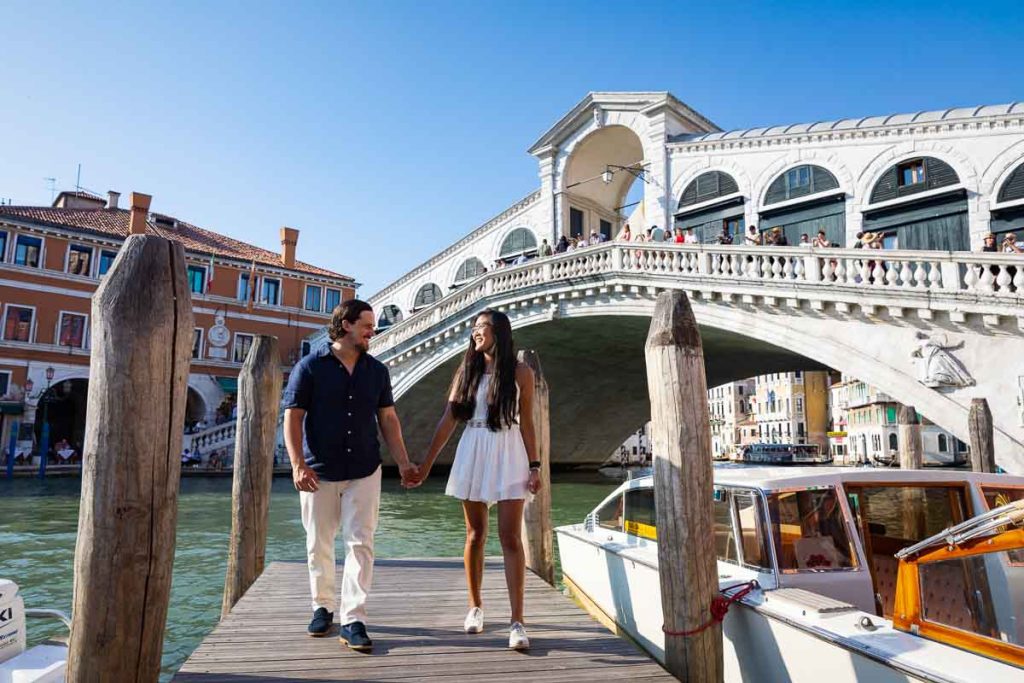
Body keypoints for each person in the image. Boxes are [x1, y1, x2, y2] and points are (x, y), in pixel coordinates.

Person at [282, 299, 418, 651]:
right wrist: (298, 464)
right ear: (345, 325)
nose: (372, 330)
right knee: (319, 543)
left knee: (361, 543)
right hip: (318, 470)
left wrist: (403, 463)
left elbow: (388, 419)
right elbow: (292, 418)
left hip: (364, 468)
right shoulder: (309, 367)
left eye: (372, 325)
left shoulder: (377, 371)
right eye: (367, 325)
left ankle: (354, 617)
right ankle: (322, 606)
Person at [408, 309, 542, 651]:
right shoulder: (465, 371)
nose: (474, 333)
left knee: (510, 538)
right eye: (473, 329)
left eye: (480, 327)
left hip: (509, 449)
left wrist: (535, 465)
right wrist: (425, 464)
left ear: (498, 331)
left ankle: (517, 622)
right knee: (475, 534)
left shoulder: (521, 373)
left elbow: (527, 422)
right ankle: (475, 607)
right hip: (473, 448)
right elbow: (448, 421)